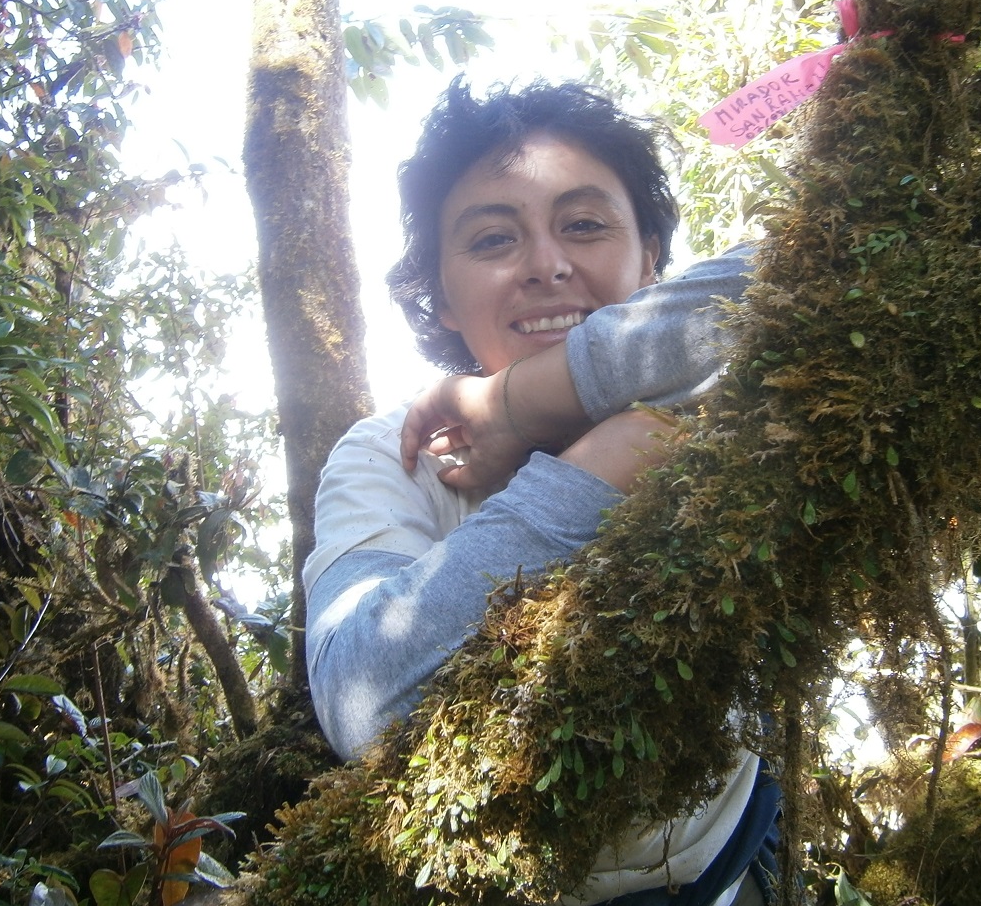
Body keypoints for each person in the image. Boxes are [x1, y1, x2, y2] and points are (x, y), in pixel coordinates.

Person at [302, 78, 780, 906]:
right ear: (442, 295)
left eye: (586, 225)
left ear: (653, 261)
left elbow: (838, 252)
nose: (548, 265)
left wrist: (521, 399)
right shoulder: (400, 453)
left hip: (733, 877)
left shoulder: (723, 389)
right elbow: (361, 696)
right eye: (493, 239)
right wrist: (611, 458)